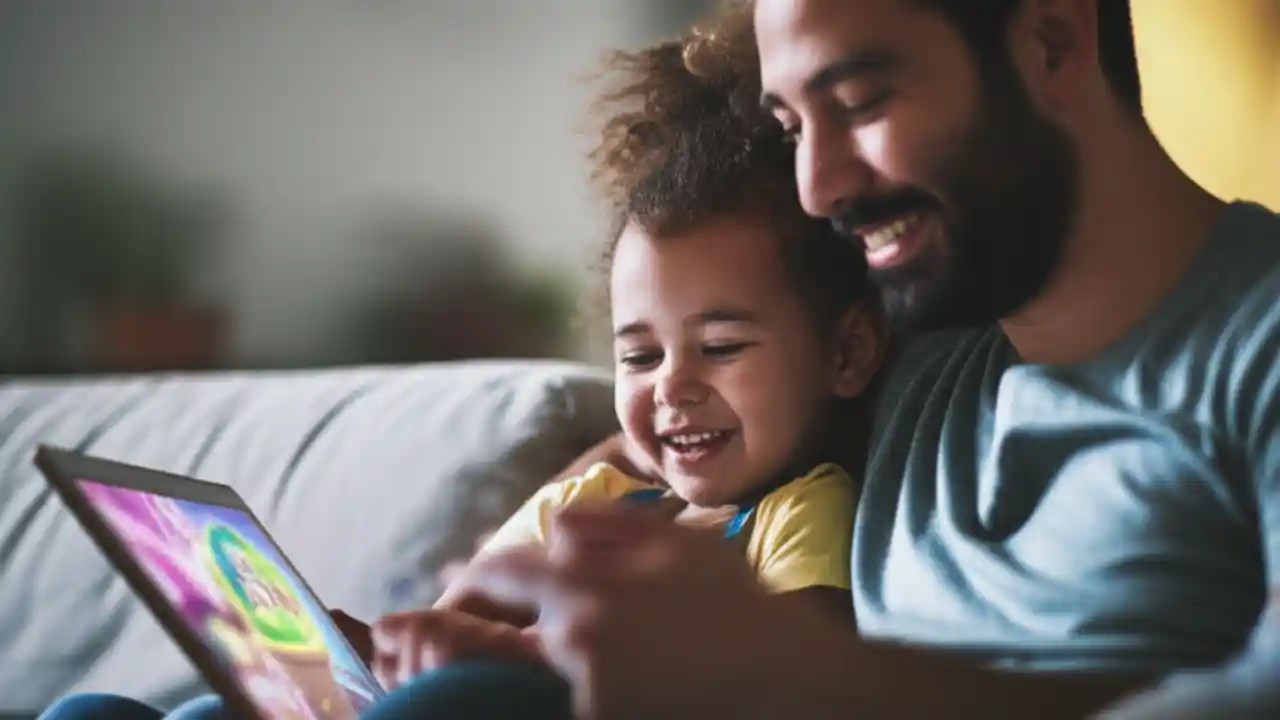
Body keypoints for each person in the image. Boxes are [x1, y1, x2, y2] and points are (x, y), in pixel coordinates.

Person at [439, 0, 1280, 718]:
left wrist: (791, 670)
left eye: (861, 101)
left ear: (1053, 41)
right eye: (793, 127)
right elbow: (668, 430)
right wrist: (491, 597)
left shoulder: (1254, 347)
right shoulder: (912, 354)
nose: (818, 187)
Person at [37, 20, 885, 720]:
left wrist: (504, 654)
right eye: (638, 355)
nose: (671, 386)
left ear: (845, 354)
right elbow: (445, 629)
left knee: (463, 698)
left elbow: (786, 676)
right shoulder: (593, 501)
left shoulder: (799, 509)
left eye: (724, 346)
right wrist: (364, 652)